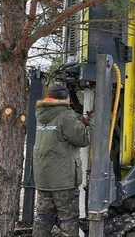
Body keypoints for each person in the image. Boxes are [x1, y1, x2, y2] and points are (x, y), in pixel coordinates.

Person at [33, 84, 92, 237]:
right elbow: (84, 139)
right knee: (68, 220)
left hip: (44, 179)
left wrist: (79, 121)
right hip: (63, 181)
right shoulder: (66, 115)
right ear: (65, 98)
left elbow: (59, 133)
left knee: (43, 218)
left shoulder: (41, 114)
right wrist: (92, 124)